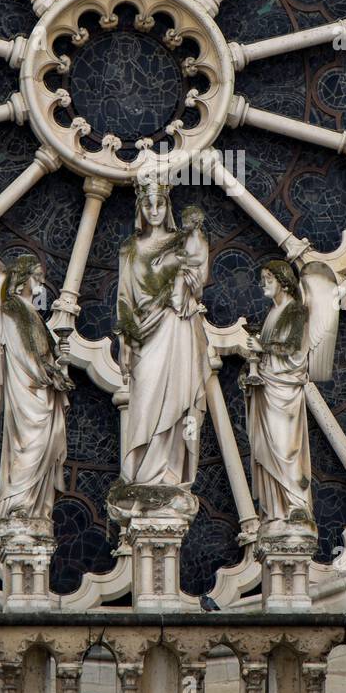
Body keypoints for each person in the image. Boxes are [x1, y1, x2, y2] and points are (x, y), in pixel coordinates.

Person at [116, 174, 209, 486]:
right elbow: (124, 297)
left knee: (177, 398)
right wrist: (125, 336)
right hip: (144, 333)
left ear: (167, 207)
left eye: (159, 204)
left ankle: (168, 473)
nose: (154, 211)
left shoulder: (182, 243)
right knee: (144, 403)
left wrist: (191, 284)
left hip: (176, 325)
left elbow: (197, 278)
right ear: (140, 209)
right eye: (148, 205)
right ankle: (141, 474)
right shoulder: (130, 249)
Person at [0, 254, 70, 522]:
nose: (41, 283)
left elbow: (42, 349)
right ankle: (18, 502)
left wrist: (59, 356)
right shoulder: (11, 309)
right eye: (37, 277)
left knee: (46, 440)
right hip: (28, 386)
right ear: (23, 278)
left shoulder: (31, 312)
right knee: (30, 443)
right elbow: (20, 352)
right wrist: (47, 374)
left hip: (42, 388)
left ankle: (36, 506)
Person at [242, 259, 315, 525]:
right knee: (268, 445)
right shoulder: (273, 313)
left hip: (285, 389)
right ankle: (275, 508)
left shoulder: (296, 310)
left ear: (283, 283)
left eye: (268, 279)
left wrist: (263, 347)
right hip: (268, 388)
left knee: (286, 445)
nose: (263, 285)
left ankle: (295, 503)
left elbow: (293, 348)